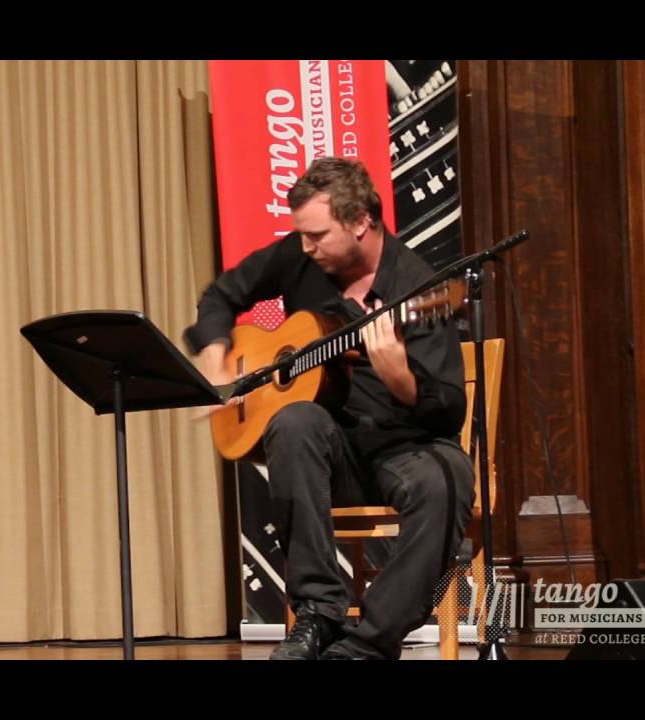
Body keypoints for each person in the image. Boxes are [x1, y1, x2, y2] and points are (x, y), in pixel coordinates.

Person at [184, 157, 473, 660]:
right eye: (302, 235)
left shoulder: (421, 288)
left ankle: (366, 645)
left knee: (446, 481)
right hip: (330, 450)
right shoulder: (302, 259)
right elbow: (219, 297)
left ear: (361, 222)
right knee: (294, 421)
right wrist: (217, 359)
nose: (305, 247)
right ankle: (317, 614)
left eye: (317, 235)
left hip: (403, 448)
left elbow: (447, 412)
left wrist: (398, 375)